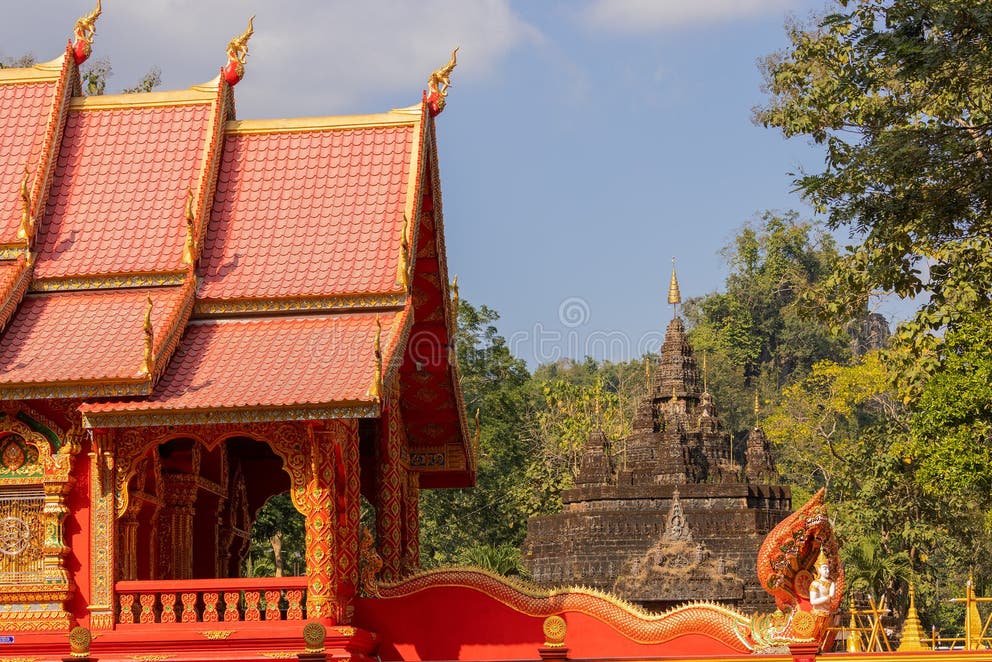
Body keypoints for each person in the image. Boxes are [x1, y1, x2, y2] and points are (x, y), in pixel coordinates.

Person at [809, 549, 836, 613]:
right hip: (818, 614)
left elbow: (833, 598)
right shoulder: (815, 584)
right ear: (819, 569)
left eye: (828, 568)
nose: (828, 571)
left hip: (828, 613)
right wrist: (828, 597)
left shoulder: (831, 583)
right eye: (825, 568)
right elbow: (813, 601)